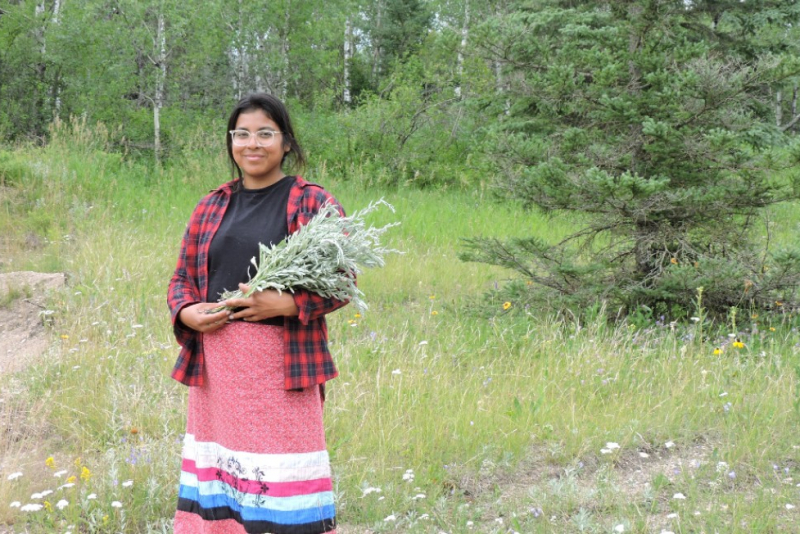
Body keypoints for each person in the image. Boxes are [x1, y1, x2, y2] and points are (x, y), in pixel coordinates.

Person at [167, 93, 347, 534]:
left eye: (265, 133)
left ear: (286, 142)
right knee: (223, 469)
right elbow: (181, 280)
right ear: (231, 142)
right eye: (242, 134)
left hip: (280, 363)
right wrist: (187, 312)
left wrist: (284, 304)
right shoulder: (212, 204)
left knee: (283, 470)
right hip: (218, 366)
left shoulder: (311, 203)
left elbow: (343, 279)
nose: (253, 143)